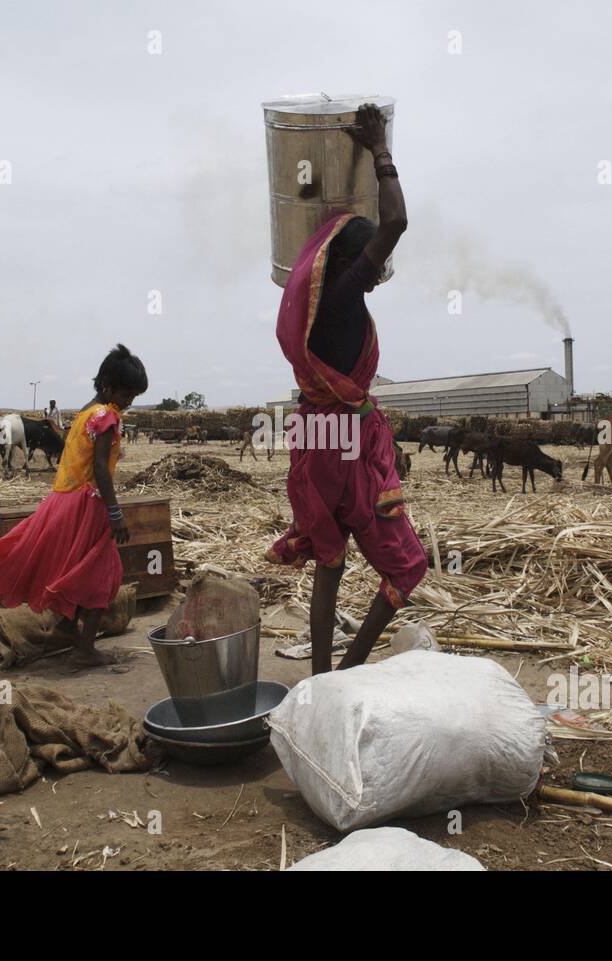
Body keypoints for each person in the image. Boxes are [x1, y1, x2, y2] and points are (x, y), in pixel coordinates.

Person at [265, 103, 428, 675]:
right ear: (355, 265)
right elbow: (396, 223)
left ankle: (319, 682)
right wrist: (381, 149)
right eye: (370, 262)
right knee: (407, 568)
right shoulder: (342, 297)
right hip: (349, 447)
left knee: (331, 562)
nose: (378, 270)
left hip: (314, 445)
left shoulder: (307, 307)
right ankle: (353, 669)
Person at [0, 344, 147, 667]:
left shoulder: (84, 413)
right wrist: (115, 513)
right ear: (108, 386)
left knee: (71, 567)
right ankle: (85, 651)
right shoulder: (106, 417)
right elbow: (98, 471)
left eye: (133, 396)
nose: (129, 402)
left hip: (63, 499)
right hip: (90, 503)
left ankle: (67, 628)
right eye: (127, 394)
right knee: (103, 574)